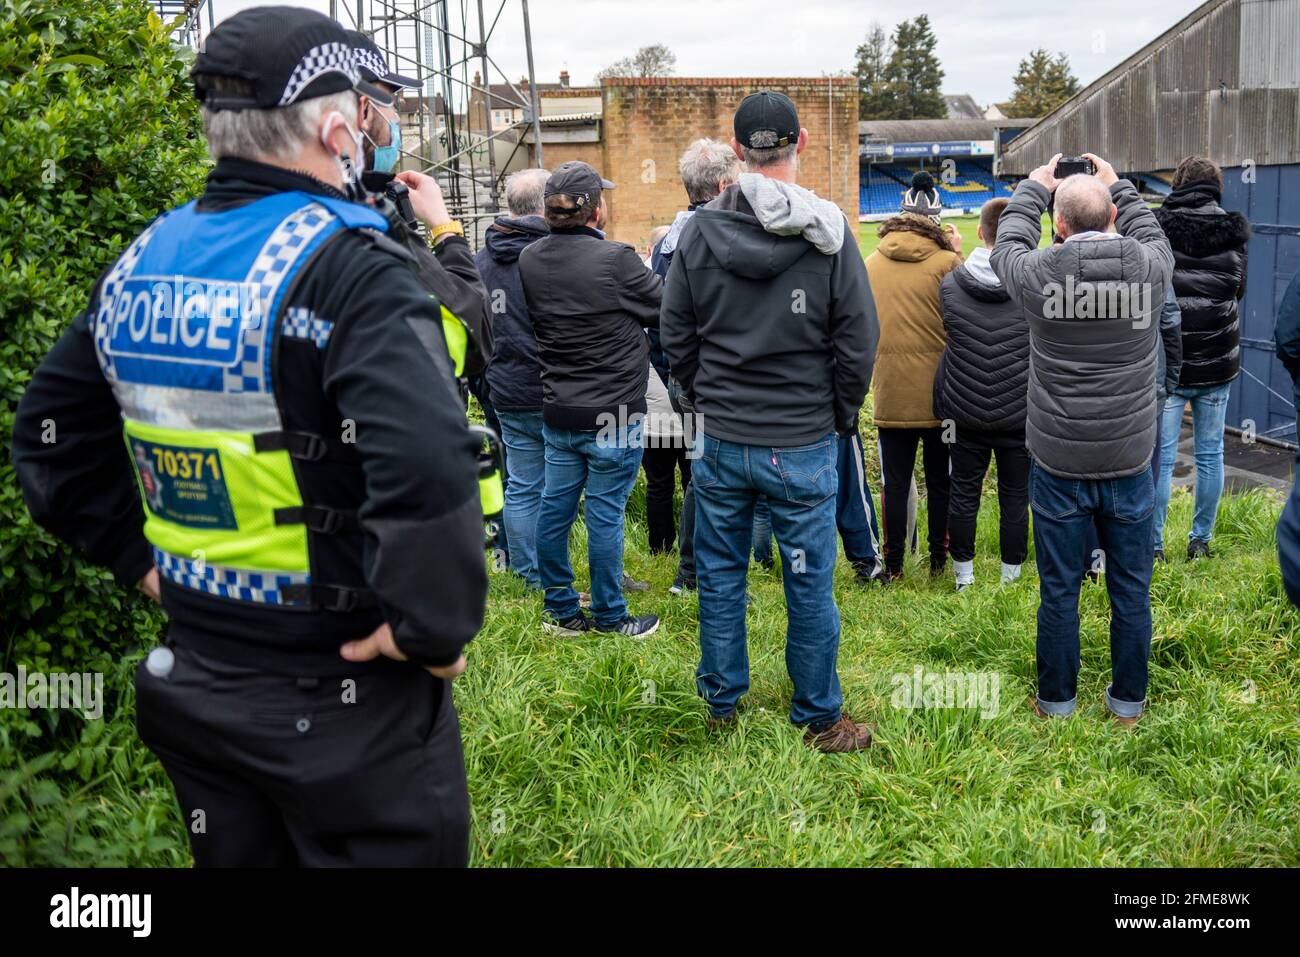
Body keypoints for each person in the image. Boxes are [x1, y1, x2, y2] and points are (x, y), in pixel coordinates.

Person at [11, 7, 487, 865]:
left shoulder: (146, 256)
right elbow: (426, 459)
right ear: (338, 129)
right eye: (370, 112)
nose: (379, 131)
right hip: (344, 699)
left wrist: (140, 560)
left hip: (195, 681)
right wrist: (430, 626)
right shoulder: (352, 266)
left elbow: (49, 437)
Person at [661, 91, 879, 752]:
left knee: (722, 573)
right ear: (801, 142)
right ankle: (819, 717)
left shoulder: (696, 232)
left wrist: (704, 405)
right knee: (808, 581)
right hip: (799, 439)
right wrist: (836, 415)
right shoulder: (831, 230)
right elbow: (859, 341)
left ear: (737, 150)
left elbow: (676, 337)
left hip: (727, 439)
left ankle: (722, 704)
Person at [991, 151, 1173, 725]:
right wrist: (1118, 183)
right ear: (1114, 216)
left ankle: (1057, 702)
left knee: (1060, 592)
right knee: (1130, 591)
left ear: (1059, 225)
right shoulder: (1148, 270)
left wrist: (1034, 186)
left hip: (1059, 461)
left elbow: (1005, 247)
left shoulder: (1041, 275)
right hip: (1128, 459)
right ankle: (1127, 703)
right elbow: (1154, 234)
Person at [518, 161, 663, 637]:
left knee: (554, 510)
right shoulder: (616, 259)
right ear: (594, 210)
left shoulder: (530, 258)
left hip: (560, 408)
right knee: (605, 515)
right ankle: (610, 616)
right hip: (613, 413)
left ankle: (561, 610)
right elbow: (662, 306)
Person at [866, 170, 962, 581]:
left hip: (890, 390)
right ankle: (940, 563)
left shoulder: (871, 262)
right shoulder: (948, 263)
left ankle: (894, 566)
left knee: (895, 482)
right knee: (941, 480)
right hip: (941, 395)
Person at [1152, 156, 1250, 561]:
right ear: (1216, 186)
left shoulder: (1156, 226)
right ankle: (1200, 543)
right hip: (1216, 360)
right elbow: (1236, 289)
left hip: (1169, 360)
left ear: (1177, 183)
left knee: (1161, 456)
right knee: (1211, 454)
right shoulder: (1234, 230)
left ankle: (1153, 547)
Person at [654, 139, 741, 594]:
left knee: (706, 473)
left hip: (683, 374)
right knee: (712, 477)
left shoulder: (668, 238)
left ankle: (699, 569)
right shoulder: (715, 234)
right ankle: (695, 573)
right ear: (725, 184)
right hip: (711, 375)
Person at [933, 198, 1029, 591]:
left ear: (979, 231)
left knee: (964, 494)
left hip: (964, 409)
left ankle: (964, 578)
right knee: (1015, 498)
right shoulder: (1029, 284)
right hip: (1017, 411)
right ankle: (1011, 577)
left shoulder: (951, 284)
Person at [476, 167, 551, 587]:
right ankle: (562, 571)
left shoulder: (479, 262)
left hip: (502, 389)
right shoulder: (556, 254)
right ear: (546, 203)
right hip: (557, 388)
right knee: (567, 486)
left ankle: (526, 571)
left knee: (520, 483)